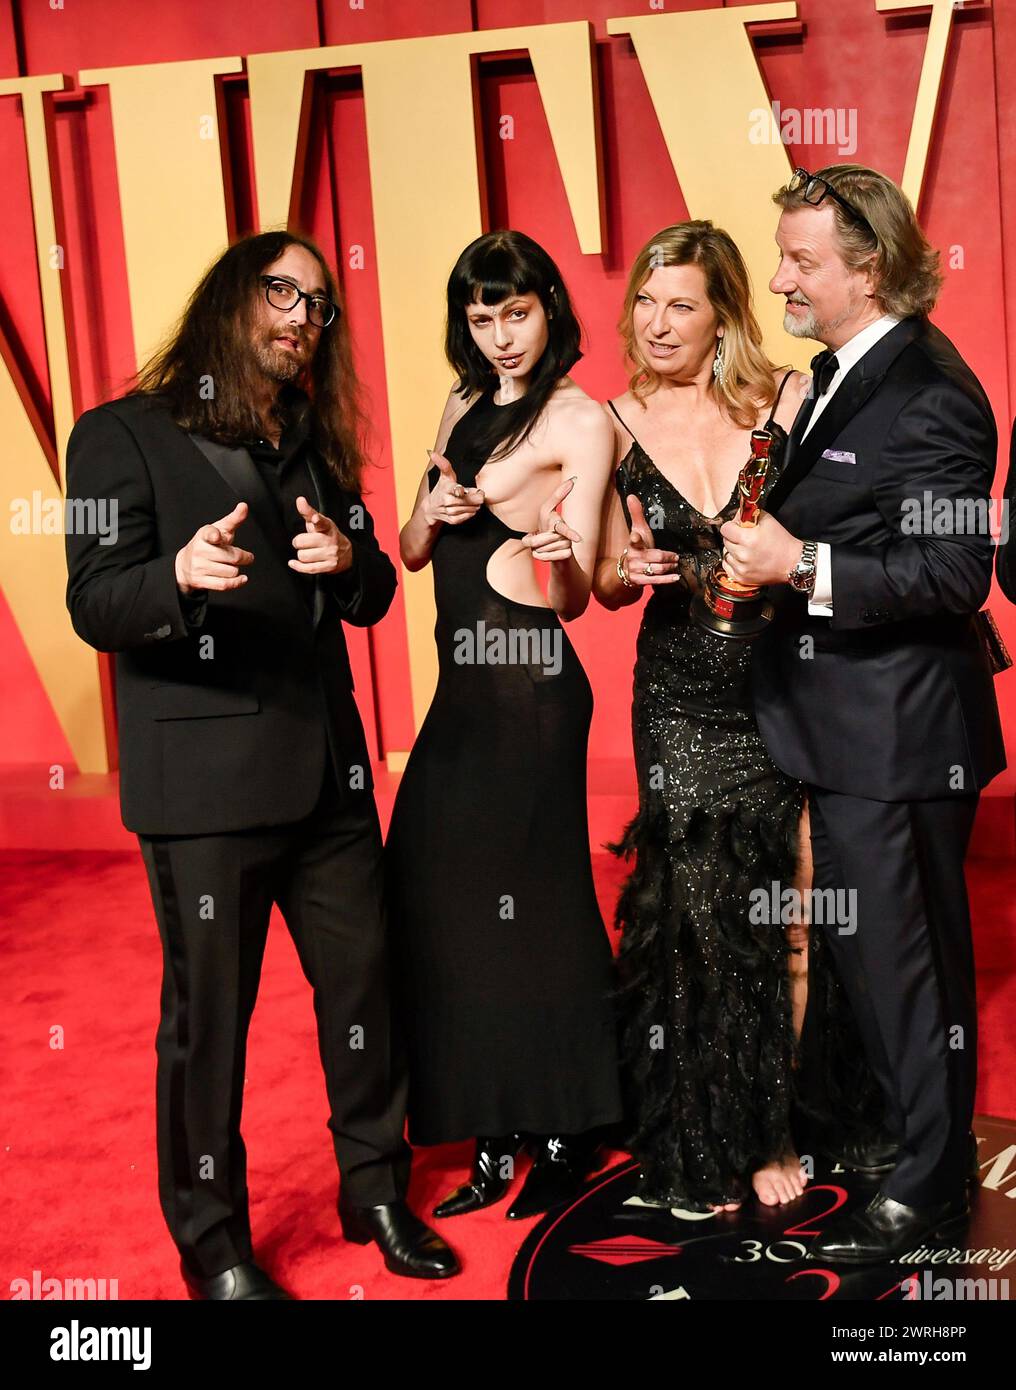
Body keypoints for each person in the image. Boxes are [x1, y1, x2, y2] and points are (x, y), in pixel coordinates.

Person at [64, 231, 458, 1297]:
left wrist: (350, 564)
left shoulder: (312, 446)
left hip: (325, 775)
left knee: (364, 987)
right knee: (209, 1026)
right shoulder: (116, 435)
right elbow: (95, 602)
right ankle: (216, 1247)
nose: (302, 317)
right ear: (232, 300)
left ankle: (373, 1192)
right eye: (283, 291)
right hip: (202, 794)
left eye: (319, 305)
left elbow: (373, 588)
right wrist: (177, 576)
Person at [728, 165, 1004, 1261]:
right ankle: (905, 1139)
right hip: (839, 728)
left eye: (800, 260)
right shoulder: (836, 372)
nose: (777, 278)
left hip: (899, 738)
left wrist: (802, 564)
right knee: (868, 957)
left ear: (869, 267)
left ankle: (931, 1180)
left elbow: (951, 568)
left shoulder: (930, 388)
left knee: (906, 966)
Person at [385, 230, 623, 1221]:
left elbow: (573, 600)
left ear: (547, 310)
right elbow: (403, 552)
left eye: (514, 313)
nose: (498, 336)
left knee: (539, 906)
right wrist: (434, 509)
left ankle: (568, 1120)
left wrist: (558, 549)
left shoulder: (580, 419)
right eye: (481, 318)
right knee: (439, 898)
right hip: (461, 693)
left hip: (529, 685)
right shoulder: (457, 402)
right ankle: (493, 1126)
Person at [594, 221, 819, 1213]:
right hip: (679, 701)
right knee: (696, 922)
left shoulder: (790, 401)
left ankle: (774, 1121)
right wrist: (621, 570)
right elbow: (600, 579)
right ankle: (703, 1128)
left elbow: (838, 530)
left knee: (794, 916)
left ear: (723, 312)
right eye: (644, 301)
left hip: (792, 688)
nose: (655, 322)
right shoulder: (608, 420)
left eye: (679, 303)